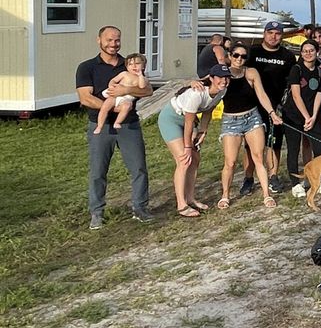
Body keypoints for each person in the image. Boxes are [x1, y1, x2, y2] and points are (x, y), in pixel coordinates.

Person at [77, 26, 154, 229]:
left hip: (129, 125)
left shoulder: (128, 64)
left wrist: (127, 89)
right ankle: (97, 212)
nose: (113, 44)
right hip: (100, 126)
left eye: (117, 40)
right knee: (98, 171)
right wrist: (111, 107)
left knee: (138, 168)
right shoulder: (87, 67)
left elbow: (147, 90)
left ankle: (140, 207)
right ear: (99, 40)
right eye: (109, 40)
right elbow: (85, 97)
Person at [218, 43, 283, 211]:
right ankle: (225, 195)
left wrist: (272, 113)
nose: (239, 59)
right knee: (230, 162)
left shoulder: (251, 72)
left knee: (258, 157)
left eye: (243, 56)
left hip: (252, 117)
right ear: (230, 56)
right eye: (236, 55)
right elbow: (207, 87)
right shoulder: (223, 72)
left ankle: (266, 194)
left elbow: (261, 94)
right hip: (230, 120)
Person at [159, 64, 230, 218]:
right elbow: (189, 122)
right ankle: (181, 204)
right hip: (171, 119)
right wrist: (187, 146)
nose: (224, 81)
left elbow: (208, 110)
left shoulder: (221, 91)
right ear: (211, 78)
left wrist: (203, 131)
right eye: (220, 77)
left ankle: (190, 198)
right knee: (184, 159)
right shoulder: (196, 94)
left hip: (188, 122)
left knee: (195, 159)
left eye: (226, 77)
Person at [244, 20, 295, 192]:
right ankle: (248, 178)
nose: (273, 36)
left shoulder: (287, 56)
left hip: (277, 106)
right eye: (270, 32)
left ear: (281, 36)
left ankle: (273, 176)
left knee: (274, 143)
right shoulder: (253, 52)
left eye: (277, 33)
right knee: (251, 146)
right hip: (252, 106)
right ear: (264, 34)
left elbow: (292, 83)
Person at [281, 40, 321, 184]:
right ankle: (295, 183)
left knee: (319, 148)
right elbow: (296, 95)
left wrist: (313, 117)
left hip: (311, 116)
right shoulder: (296, 69)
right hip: (293, 115)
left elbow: (319, 94)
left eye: (311, 50)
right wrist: (307, 116)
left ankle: (318, 180)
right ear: (301, 53)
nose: (308, 53)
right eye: (305, 51)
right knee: (293, 149)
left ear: (316, 52)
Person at [92, 52, 148, 134]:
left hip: (127, 98)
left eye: (137, 64)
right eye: (130, 64)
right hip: (115, 95)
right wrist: (111, 85)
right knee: (105, 107)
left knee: (127, 106)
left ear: (143, 66)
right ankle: (99, 126)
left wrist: (140, 75)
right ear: (127, 67)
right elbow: (114, 80)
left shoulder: (143, 79)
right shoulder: (124, 74)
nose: (134, 66)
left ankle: (117, 122)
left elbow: (142, 87)